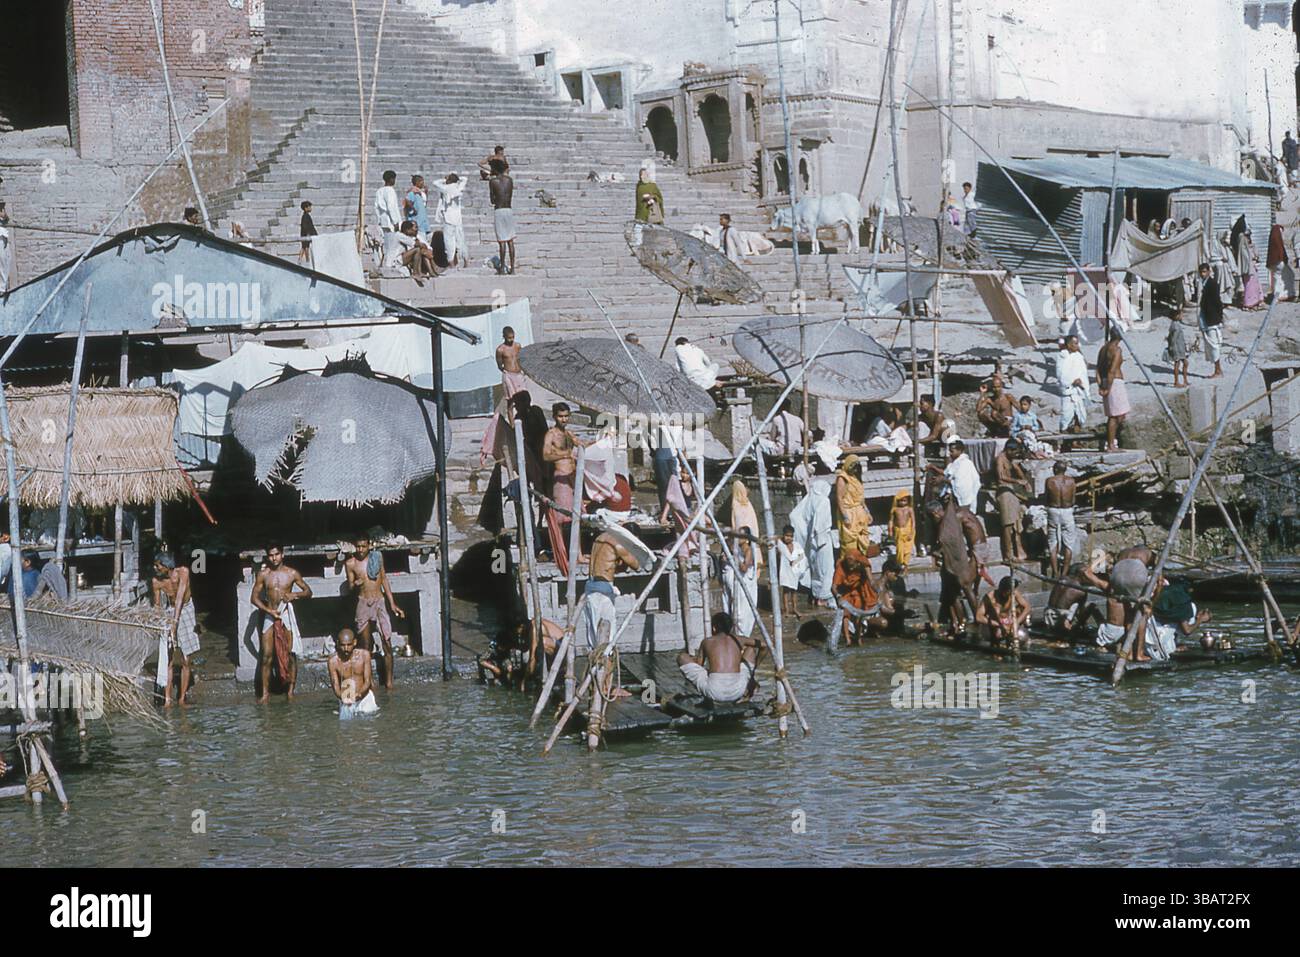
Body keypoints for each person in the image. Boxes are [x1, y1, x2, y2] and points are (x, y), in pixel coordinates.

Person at [251, 543, 311, 702]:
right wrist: (268, 610)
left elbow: (308, 592)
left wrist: (294, 595)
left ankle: (290, 691)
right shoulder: (264, 574)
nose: (274, 558)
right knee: (266, 656)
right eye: (271, 555)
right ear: (267, 556)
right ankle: (265, 693)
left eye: (276, 554)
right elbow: (254, 598)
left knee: (291, 654)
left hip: (285, 613)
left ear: (282, 554)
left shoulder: (291, 573)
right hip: (271, 613)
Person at [345, 536, 406, 688]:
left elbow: (384, 579)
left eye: (363, 546)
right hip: (363, 602)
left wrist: (392, 603)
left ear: (369, 546)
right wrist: (355, 584)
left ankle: (389, 682)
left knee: (387, 641)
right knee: (365, 644)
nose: (360, 550)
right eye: (358, 546)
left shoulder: (377, 558)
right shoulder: (351, 563)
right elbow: (350, 586)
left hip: (379, 602)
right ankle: (369, 682)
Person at [676, 612, 759, 703]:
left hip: (715, 692)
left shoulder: (707, 641)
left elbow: (699, 665)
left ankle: (707, 699)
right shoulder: (739, 639)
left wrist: (693, 658)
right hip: (738, 691)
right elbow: (764, 646)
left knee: (682, 657)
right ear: (730, 627)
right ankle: (746, 688)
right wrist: (752, 672)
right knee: (750, 650)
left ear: (714, 628)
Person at [927, 497, 979, 631]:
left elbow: (950, 543)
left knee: (966, 589)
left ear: (936, 513)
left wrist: (937, 552)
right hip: (951, 564)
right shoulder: (948, 521)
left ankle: (977, 619)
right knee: (954, 593)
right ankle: (961, 622)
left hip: (959, 564)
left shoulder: (948, 525)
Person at [585, 529, 643, 649]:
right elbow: (636, 565)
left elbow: (606, 563)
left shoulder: (600, 538)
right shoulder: (618, 545)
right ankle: (605, 660)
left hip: (590, 588)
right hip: (603, 592)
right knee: (607, 636)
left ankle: (597, 661)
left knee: (593, 635)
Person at [152, 552, 197, 708]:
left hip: (186, 608)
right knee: (169, 658)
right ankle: (167, 699)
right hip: (170, 610)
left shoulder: (183, 572)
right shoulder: (156, 582)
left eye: (158, 565)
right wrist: (161, 624)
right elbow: (157, 606)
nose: (155, 568)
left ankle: (182, 698)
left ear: (167, 567)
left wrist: (175, 623)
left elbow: (179, 598)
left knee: (186, 658)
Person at [543, 402, 586, 542]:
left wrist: (603, 440)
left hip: (573, 476)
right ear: (555, 417)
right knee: (560, 518)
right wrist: (564, 455)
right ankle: (561, 552)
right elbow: (545, 455)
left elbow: (582, 445)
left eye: (566, 416)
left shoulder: (568, 433)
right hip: (560, 477)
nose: (564, 419)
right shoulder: (551, 434)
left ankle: (577, 554)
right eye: (561, 416)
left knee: (576, 515)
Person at [724, 481, 761, 637]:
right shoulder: (747, 505)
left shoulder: (737, 506)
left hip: (743, 556)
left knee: (742, 603)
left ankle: (740, 632)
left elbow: (737, 526)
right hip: (744, 553)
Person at [789, 480, 834, 608]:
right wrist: (820, 539)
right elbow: (820, 525)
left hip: (812, 542)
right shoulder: (823, 501)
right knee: (826, 570)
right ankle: (823, 597)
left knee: (816, 570)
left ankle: (816, 595)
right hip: (822, 540)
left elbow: (796, 517)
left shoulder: (809, 500)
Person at [1043, 563, 1107, 639]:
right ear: (1081, 575)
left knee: (1074, 605)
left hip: (1047, 617)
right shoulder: (1081, 591)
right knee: (1092, 606)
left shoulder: (1062, 578)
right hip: (1061, 622)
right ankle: (1104, 631)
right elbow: (1080, 614)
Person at [831, 551, 879, 646]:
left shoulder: (864, 564)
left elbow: (871, 580)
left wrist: (878, 591)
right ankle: (847, 638)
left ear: (858, 562)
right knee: (845, 612)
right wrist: (838, 596)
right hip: (845, 591)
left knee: (859, 611)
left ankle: (858, 637)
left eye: (853, 566)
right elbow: (833, 587)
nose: (851, 568)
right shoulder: (841, 566)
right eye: (849, 566)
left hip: (860, 589)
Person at [993, 440, 1030, 562]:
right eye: (1015, 452)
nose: (1016, 455)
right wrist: (1018, 481)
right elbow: (1001, 476)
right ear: (1009, 450)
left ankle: (1018, 550)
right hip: (1003, 492)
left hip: (1010, 491)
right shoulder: (1000, 459)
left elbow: (1017, 469)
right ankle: (1008, 554)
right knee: (1007, 524)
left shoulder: (1010, 459)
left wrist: (1024, 480)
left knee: (1016, 522)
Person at [329, 628, 379, 716]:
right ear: (337, 643)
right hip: (345, 699)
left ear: (355, 642)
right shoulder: (333, 661)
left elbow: (367, 681)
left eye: (349, 645)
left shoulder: (364, 655)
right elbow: (335, 685)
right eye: (342, 645)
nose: (346, 649)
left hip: (364, 698)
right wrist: (342, 697)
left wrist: (358, 694)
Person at [1096, 325, 1129, 452]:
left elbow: (1098, 369)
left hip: (1106, 381)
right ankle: (1111, 444)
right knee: (1115, 416)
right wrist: (1108, 388)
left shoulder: (1103, 349)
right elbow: (1112, 370)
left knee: (1117, 414)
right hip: (1114, 382)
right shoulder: (1117, 350)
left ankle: (1111, 441)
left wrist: (1101, 385)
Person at [975, 576, 1030, 649]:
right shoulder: (990, 597)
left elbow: (1027, 607)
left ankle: (1011, 639)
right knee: (998, 634)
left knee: (1022, 634)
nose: (1009, 594)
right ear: (1002, 590)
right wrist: (999, 625)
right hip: (993, 625)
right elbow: (978, 617)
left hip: (1008, 621)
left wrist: (1016, 622)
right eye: (1007, 592)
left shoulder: (1013, 593)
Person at [1044, 459, 1077, 580]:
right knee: (1068, 543)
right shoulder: (1071, 481)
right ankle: (1064, 573)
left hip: (1053, 510)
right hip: (1067, 511)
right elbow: (1073, 500)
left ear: (1056, 469)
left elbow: (1046, 498)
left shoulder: (1049, 481)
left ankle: (1055, 572)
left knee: (1053, 542)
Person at [834, 454, 873, 555]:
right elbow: (839, 498)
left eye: (856, 468)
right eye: (852, 467)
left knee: (862, 540)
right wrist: (845, 517)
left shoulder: (856, 477)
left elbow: (861, 498)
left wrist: (867, 512)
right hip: (848, 513)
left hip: (859, 513)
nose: (854, 470)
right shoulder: (842, 478)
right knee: (849, 543)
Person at [430, 173, 468, 268]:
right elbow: (465, 179)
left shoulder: (446, 188)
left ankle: (451, 262)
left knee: (449, 241)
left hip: (448, 218)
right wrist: (457, 179)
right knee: (461, 239)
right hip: (458, 218)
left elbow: (435, 183)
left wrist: (444, 179)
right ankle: (466, 261)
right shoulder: (458, 187)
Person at [486, 158, 516, 276]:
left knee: (502, 241)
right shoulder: (510, 180)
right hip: (508, 209)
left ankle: (502, 268)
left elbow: (492, 200)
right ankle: (513, 268)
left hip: (499, 210)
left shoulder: (493, 182)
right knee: (510, 240)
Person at [1055, 335, 1091, 434]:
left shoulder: (1079, 356)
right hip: (1069, 389)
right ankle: (1064, 431)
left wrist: (1082, 383)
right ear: (1068, 345)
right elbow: (1060, 373)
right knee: (1067, 413)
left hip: (1079, 389)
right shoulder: (1062, 356)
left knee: (1079, 412)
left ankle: (1077, 435)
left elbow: (1083, 372)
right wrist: (1072, 381)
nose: (1077, 345)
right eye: (1075, 343)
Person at [1197, 262, 1225, 380]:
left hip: (1212, 318)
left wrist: (1218, 317)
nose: (1203, 274)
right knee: (1210, 344)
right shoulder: (1202, 283)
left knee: (1214, 344)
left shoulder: (1213, 284)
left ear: (1208, 271)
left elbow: (1217, 302)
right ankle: (1217, 369)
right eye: (1201, 272)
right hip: (1206, 317)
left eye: (1204, 272)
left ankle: (1218, 370)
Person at [939, 439, 980, 513]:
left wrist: (944, 480)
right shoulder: (955, 463)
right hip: (953, 496)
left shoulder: (965, 464)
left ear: (960, 451)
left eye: (952, 451)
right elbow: (946, 473)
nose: (950, 454)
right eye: (950, 451)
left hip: (963, 498)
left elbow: (961, 484)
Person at [776, 524, 806, 621]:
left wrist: (795, 562)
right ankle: (786, 609)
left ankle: (795, 608)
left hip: (794, 570)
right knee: (786, 590)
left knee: (794, 591)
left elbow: (801, 556)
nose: (789, 538)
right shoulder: (781, 545)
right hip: (785, 571)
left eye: (791, 536)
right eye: (787, 535)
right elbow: (775, 539)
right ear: (783, 535)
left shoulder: (796, 545)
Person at [1233, 217, 1263, 309]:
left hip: (1251, 266)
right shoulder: (1242, 239)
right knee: (1249, 285)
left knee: (1254, 284)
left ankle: (1255, 301)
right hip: (1248, 267)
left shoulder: (1247, 243)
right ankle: (1249, 303)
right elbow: (1245, 256)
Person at [496, 325, 526, 399]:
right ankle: (510, 411)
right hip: (509, 375)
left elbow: (521, 358)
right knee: (511, 399)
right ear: (504, 337)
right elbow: (499, 365)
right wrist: (507, 373)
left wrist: (522, 370)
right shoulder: (500, 350)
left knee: (523, 397)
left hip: (519, 374)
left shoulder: (517, 346)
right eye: (509, 338)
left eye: (513, 337)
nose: (511, 339)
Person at [888, 490, 916, 568]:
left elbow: (913, 522)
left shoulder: (910, 509)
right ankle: (900, 564)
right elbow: (891, 521)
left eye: (904, 501)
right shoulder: (895, 509)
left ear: (907, 501)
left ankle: (906, 565)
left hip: (908, 531)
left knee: (907, 549)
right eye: (901, 501)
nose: (903, 503)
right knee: (900, 549)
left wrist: (911, 532)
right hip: (899, 531)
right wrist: (890, 531)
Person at [374, 169, 402, 235]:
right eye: (394, 179)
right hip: (391, 222)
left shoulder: (379, 191)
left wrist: (379, 220)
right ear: (391, 179)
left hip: (383, 221)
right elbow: (391, 207)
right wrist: (395, 222)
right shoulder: (390, 190)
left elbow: (376, 207)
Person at [1165, 316, 1190, 388]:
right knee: (1177, 364)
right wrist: (1172, 347)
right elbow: (1173, 338)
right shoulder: (1176, 326)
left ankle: (1185, 380)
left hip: (1180, 348)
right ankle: (1176, 382)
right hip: (1177, 348)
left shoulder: (1173, 324)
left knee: (1185, 363)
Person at [298, 200, 317, 264]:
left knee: (304, 247)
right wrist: (308, 233)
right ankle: (307, 260)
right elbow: (306, 226)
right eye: (309, 207)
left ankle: (300, 259)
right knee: (306, 247)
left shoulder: (306, 215)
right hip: (306, 234)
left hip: (305, 233)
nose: (310, 208)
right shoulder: (305, 216)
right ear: (306, 208)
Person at [0, 201, 13, 294]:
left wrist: (3, 215)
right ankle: (1, 287)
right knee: (1, 260)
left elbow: (7, 219)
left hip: (3, 236)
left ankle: (4, 286)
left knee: (7, 259)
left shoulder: (2, 211)